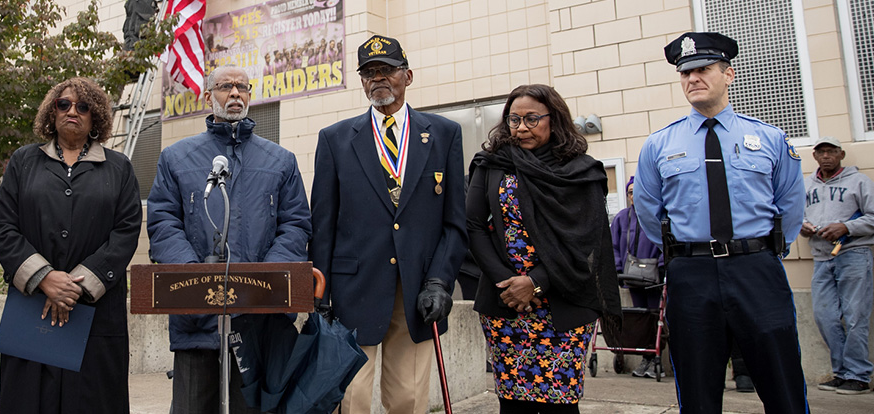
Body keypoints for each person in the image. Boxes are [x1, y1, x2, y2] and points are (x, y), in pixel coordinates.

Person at [633, 32, 808, 414]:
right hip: (691, 272)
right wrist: (683, 251)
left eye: (703, 69)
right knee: (697, 387)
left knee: (782, 383)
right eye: (685, 74)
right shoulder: (659, 144)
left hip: (756, 269)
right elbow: (649, 211)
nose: (693, 79)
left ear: (728, 74)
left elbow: (790, 205)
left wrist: (764, 253)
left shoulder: (769, 138)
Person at [309, 35, 467, 414]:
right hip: (352, 290)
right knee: (352, 397)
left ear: (407, 75)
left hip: (418, 292)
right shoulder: (334, 140)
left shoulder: (444, 134)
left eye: (387, 70)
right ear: (362, 82)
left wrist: (440, 281)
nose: (378, 78)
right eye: (369, 72)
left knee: (408, 398)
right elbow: (323, 223)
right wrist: (320, 295)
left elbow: (455, 222)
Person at [147, 65, 311, 414]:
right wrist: (194, 278)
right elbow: (162, 222)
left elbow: (296, 224)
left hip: (259, 320)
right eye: (225, 87)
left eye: (242, 87)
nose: (235, 94)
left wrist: (264, 280)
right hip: (196, 319)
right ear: (209, 97)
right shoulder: (176, 158)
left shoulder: (280, 160)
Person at [0, 78, 142, 413]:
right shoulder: (23, 162)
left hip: (96, 314)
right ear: (51, 111)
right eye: (64, 104)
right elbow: (3, 226)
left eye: (83, 106)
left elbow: (127, 231)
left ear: (96, 116)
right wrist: (44, 278)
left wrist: (75, 287)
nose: (73, 111)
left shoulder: (120, 168)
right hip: (33, 310)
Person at [467, 84, 621, 413]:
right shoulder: (492, 164)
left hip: (564, 301)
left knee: (560, 406)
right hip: (506, 304)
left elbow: (587, 239)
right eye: (514, 119)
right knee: (512, 404)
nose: (521, 127)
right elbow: (475, 225)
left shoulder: (580, 170)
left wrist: (535, 282)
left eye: (532, 119)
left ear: (555, 119)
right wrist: (507, 282)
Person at [802, 136, 874, 395]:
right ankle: (841, 372)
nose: (826, 156)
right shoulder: (806, 185)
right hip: (821, 258)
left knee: (855, 316)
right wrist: (804, 227)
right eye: (821, 152)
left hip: (854, 254)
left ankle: (859, 376)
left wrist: (846, 227)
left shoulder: (859, 182)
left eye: (831, 151)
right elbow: (798, 217)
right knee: (825, 317)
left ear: (841, 154)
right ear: (815, 156)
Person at [610, 177, 664, 379]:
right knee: (639, 318)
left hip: (653, 277)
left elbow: (664, 242)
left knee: (654, 317)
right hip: (631, 275)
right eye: (630, 192)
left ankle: (655, 357)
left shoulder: (656, 216)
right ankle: (645, 358)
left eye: (636, 191)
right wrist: (617, 269)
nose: (633, 196)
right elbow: (614, 245)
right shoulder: (622, 218)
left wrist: (661, 266)